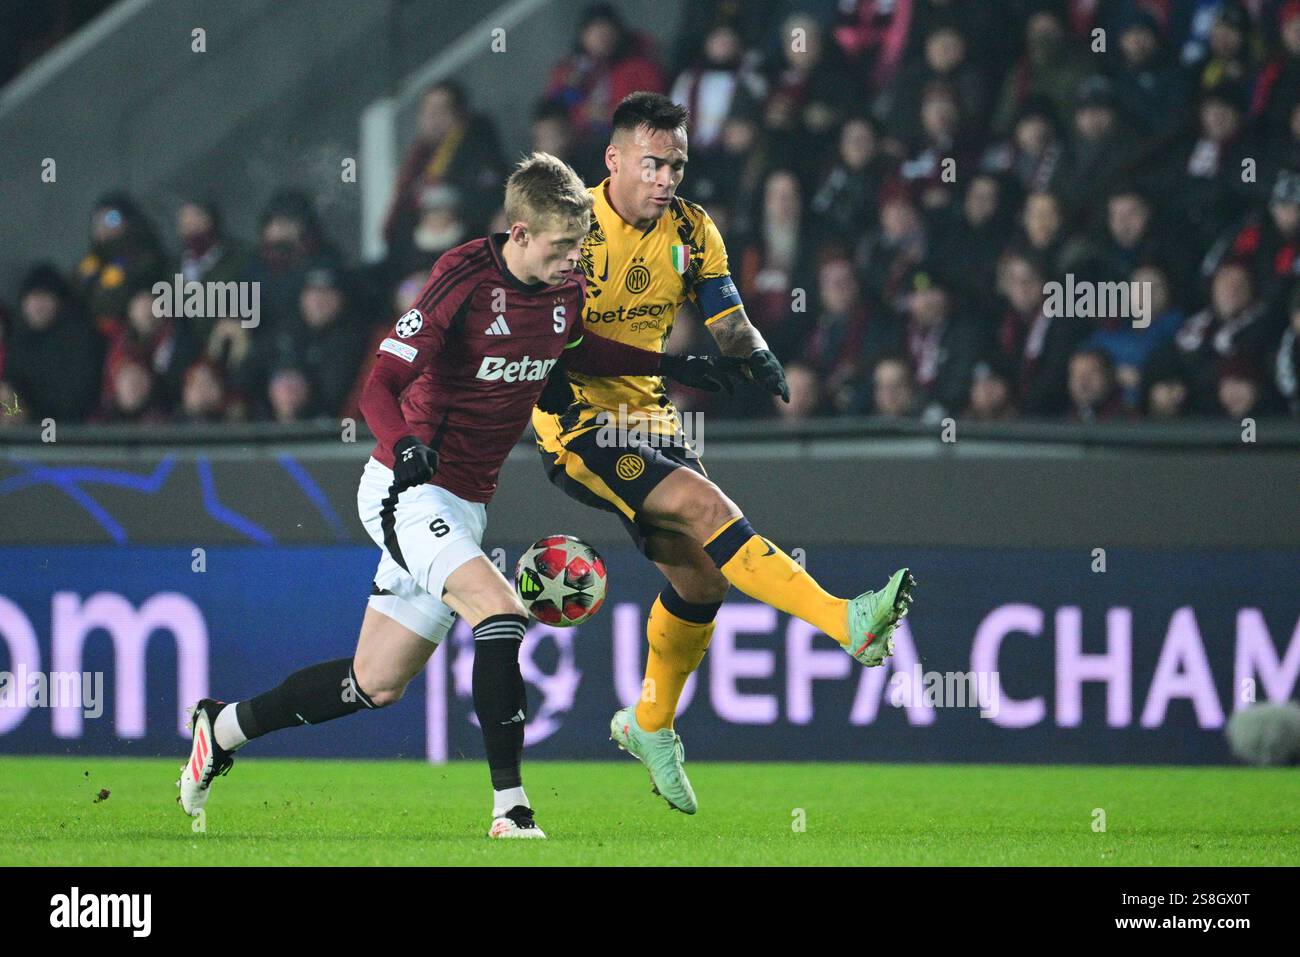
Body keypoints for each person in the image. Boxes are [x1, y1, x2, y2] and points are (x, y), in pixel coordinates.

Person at [175, 152, 743, 838]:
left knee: (375, 683)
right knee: (500, 612)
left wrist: (670, 365)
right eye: (564, 246)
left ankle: (223, 726)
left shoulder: (565, 290)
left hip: (465, 503)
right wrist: (404, 442)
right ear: (521, 233)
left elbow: (578, 351)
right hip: (406, 486)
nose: (576, 259)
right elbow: (379, 383)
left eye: (581, 244)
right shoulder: (464, 277)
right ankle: (511, 809)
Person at [531, 92, 916, 815]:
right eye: (653, 162)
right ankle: (847, 621)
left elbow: (727, 316)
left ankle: (648, 724)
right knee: (709, 508)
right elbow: (559, 340)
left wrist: (759, 357)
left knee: (704, 580)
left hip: (651, 418)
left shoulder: (692, 227)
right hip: (577, 421)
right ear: (613, 160)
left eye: (677, 163)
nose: (666, 176)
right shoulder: (569, 228)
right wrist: (679, 365)